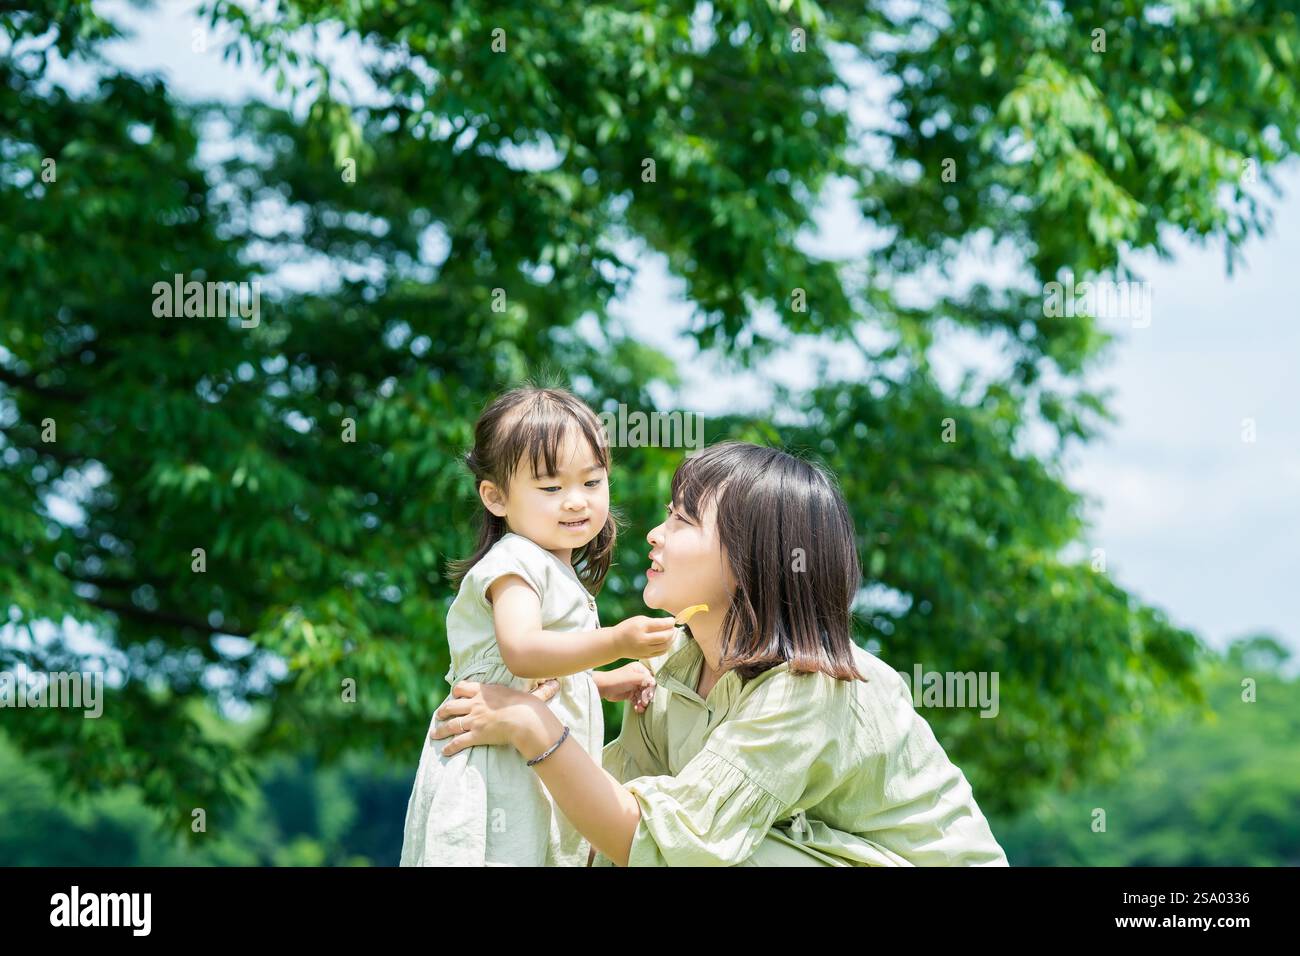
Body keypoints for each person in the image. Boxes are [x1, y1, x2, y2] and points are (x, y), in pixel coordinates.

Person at [430, 441, 1010, 866]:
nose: (655, 534)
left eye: (682, 521)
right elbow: (608, 832)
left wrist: (533, 725)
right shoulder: (671, 666)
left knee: (736, 857)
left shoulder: (811, 684)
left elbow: (665, 845)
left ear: (749, 558)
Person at [399, 386, 664, 866]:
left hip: (525, 760)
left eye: (592, 482)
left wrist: (599, 684)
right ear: (496, 497)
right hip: (493, 766)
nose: (575, 501)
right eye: (550, 488)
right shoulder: (516, 562)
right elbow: (521, 651)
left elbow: (536, 677)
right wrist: (618, 641)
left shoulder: (556, 571)